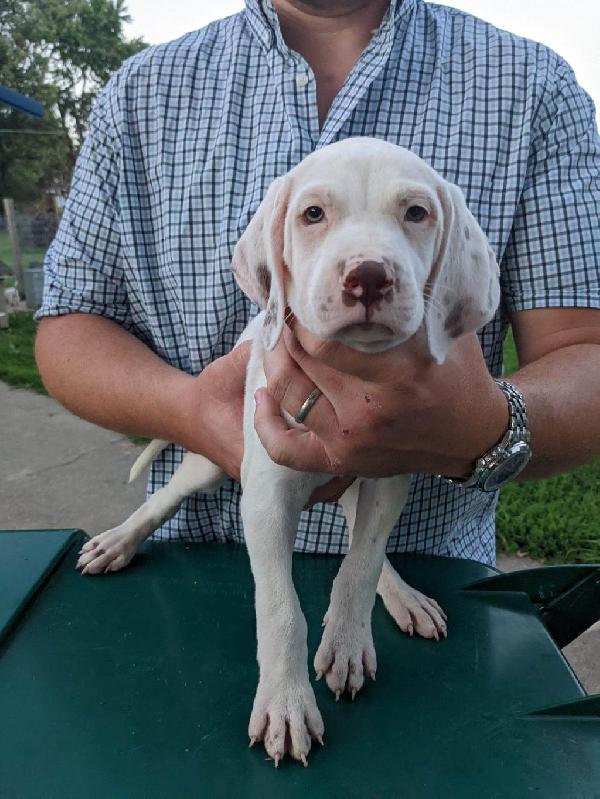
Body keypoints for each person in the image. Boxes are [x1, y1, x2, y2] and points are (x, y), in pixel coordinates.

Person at [35, 0, 600, 566]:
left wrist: (484, 428)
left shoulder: (531, 88)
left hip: (430, 571)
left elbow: (584, 352)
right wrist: (190, 411)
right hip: (193, 564)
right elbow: (70, 326)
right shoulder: (139, 95)